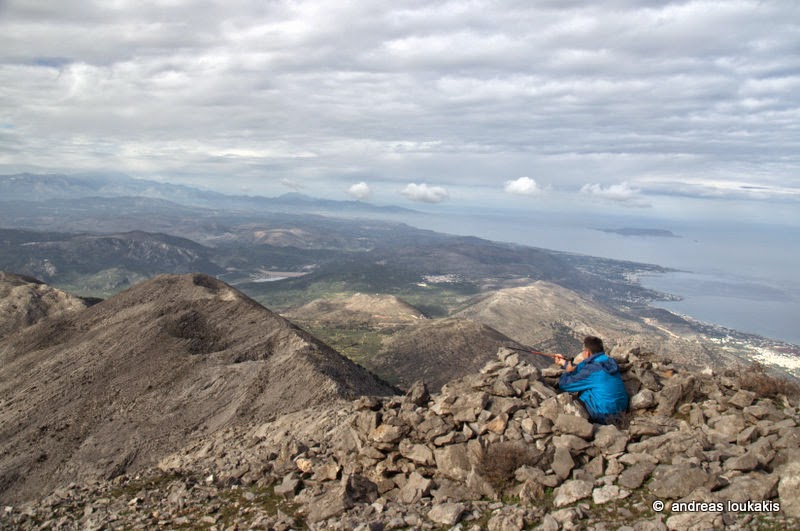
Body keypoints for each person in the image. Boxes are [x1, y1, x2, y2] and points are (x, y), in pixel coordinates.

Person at [554, 336, 628, 424]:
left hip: (605, 415)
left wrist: (567, 372)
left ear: (587, 352)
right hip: (622, 410)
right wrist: (564, 363)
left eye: (583, 350)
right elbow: (583, 370)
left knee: (575, 395)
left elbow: (564, 385)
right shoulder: (609, 361)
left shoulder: (592, 370)